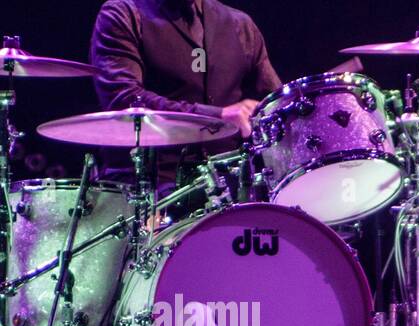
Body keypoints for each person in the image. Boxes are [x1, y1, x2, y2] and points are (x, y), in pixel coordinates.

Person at [89, 0, 280, 186]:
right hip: (150, 186)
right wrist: (216, 117)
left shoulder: (241, 25)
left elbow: (279, 104)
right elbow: (124, 99)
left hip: (229, 185)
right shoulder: (124, 14)